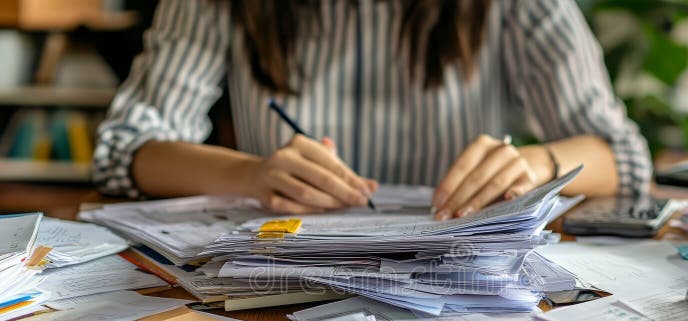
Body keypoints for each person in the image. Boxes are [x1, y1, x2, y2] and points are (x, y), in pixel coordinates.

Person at [93, 0, 652, 220]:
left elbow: (621, 155)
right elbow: (126, 150)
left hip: (457, 286)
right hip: (277, 282)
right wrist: (251, 174)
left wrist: (533, 164)